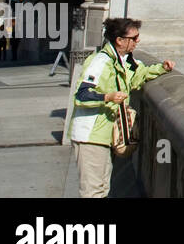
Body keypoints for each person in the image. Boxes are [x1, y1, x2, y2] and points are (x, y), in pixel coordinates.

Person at [68, 17, 175, 198]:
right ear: (120, 40)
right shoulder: (101, 62)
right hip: (90, 135)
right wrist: (107, 97)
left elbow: (138, 75)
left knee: (102, 189)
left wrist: (162, 68)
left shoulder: (122, 61)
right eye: (134, 38)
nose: (137, 41)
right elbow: (81, 95)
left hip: (103, 134)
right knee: (93, 192)